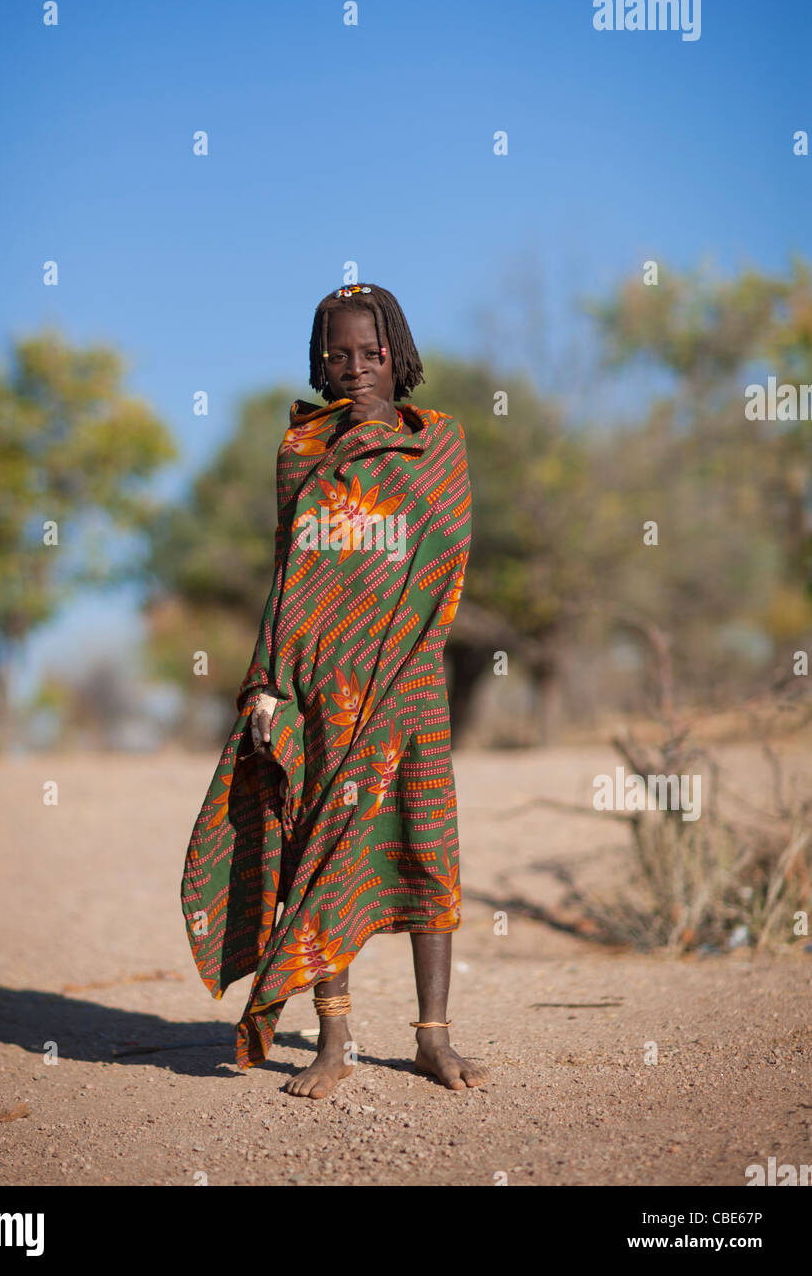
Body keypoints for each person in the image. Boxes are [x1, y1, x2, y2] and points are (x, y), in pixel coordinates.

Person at [181, 283, 488, 1099]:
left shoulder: (439, 446)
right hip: (321, 691)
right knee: (324, 859)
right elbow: (290, 580)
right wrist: (264, 683)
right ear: (319, 362)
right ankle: (335, 1039)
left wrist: (391, 659)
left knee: (426, 849)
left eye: (370, 353)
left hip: (409, 680)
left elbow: (442, 565)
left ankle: (433, 1037)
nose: (353, 369)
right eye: (337, 355)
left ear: (399, 355)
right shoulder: (299, 453)